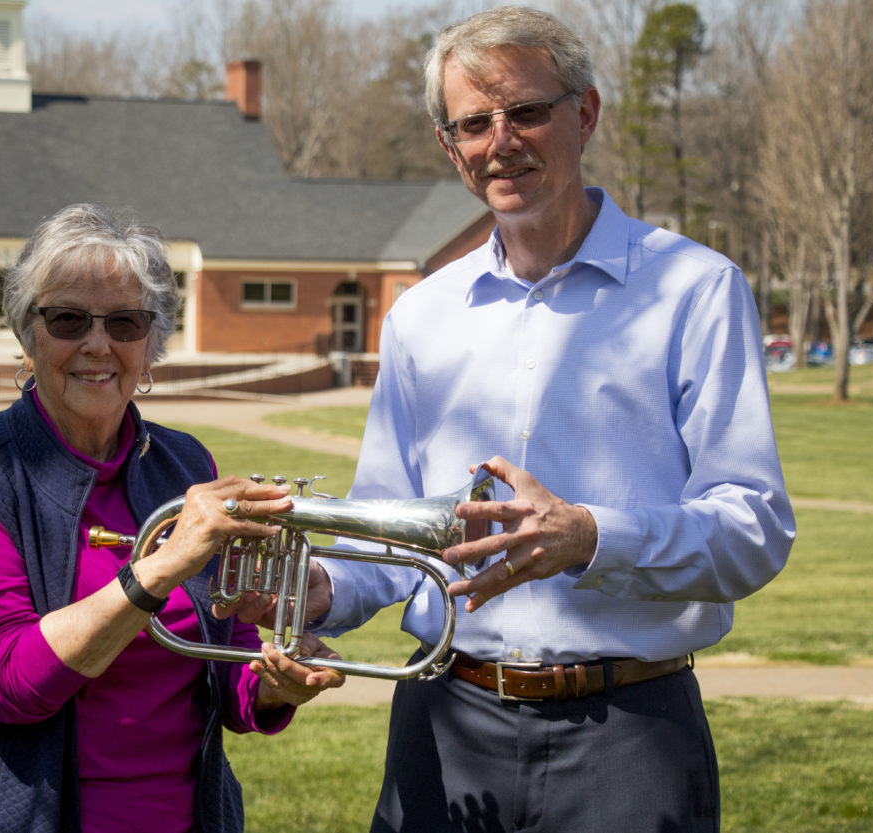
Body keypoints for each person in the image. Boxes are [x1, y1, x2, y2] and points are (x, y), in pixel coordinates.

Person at [232, 7, 796, 832]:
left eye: (527, 110)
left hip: (630, 733)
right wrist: (316, 590)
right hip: (444, 721)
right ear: (449, 147)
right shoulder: (421, 315)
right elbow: (393, 533)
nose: (502, 140)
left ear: (586, 114)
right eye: (473, 122)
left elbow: (754, 527)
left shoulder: (696, 290)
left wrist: (589, 537)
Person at [0, 203, 344, 833]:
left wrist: (271, 688)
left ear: (151, 345)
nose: (98, 344)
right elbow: (2, 679)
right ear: (26, 334)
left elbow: (220, 654)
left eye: (124, 322)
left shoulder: (184, 463)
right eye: (68, 319)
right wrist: (158, 570)